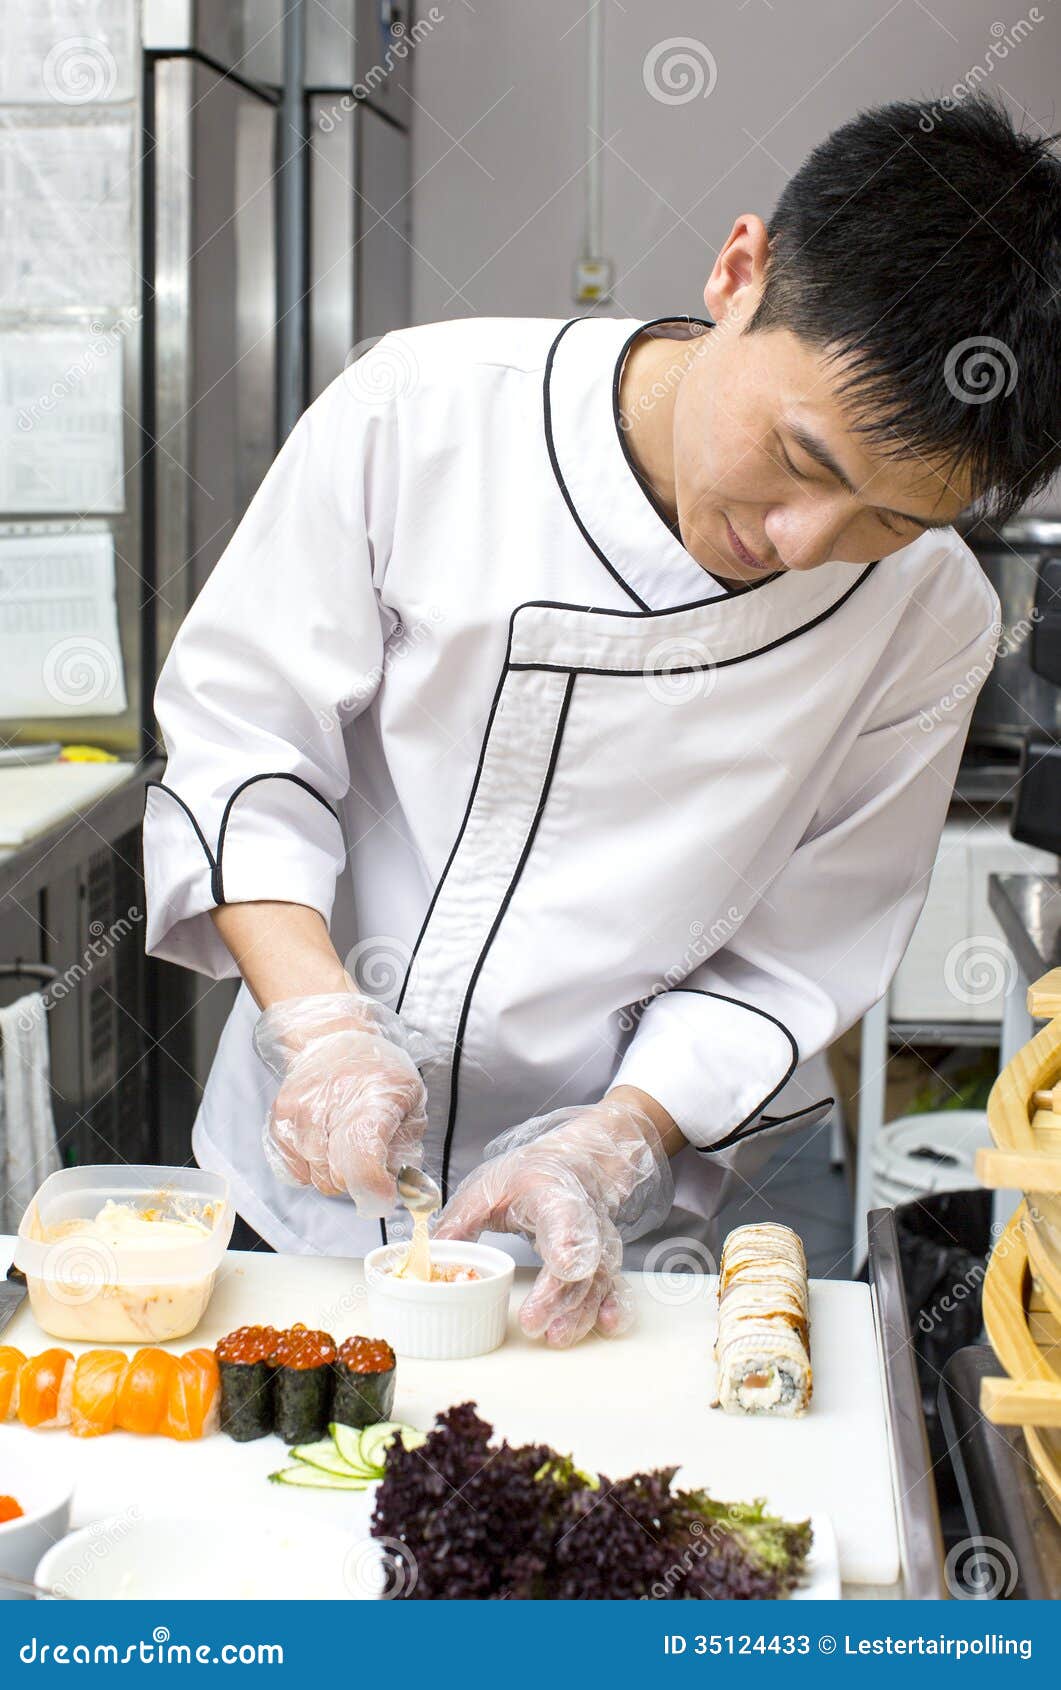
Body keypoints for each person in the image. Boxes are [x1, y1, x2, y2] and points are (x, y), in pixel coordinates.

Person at [143, 95, 1060, 1346]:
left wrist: (613, 1139)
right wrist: (322, 1030)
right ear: (739, 272)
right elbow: (246, 739)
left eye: (890, 521)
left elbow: (798, 951)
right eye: (803, 459)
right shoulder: (421, 412)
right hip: (298, 1173)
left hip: (609, 1233)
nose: (801, 544)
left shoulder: (931, 618)